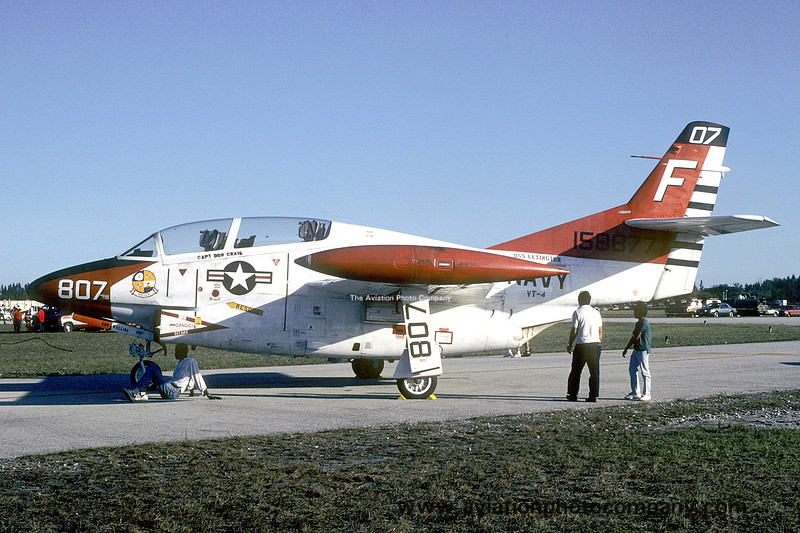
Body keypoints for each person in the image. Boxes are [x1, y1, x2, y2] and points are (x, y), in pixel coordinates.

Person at [123, 344, 221, 401]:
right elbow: (188, 378)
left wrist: (207, 394)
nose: (175, 353)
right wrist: (191, 392)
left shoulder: (190, 361)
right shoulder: (181, 362)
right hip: (170, 389)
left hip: (173, 392)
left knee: (152, 368)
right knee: (152, 368)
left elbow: (196, 376)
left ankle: (135, 392)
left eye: (176, 351)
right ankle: (141, 392)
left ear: (183, 352)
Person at [566, 291, 603, 402]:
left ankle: (573, 394)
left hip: (582, 345)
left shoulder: (577, 312)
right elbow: (600, 330)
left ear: (579, 300)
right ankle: (594, 395)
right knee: (594, 371)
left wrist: (570, 343)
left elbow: (574, 330)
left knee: (576, 372)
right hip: (595, 344)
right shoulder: (596, 313)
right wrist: (598, 341)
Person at [622, 302, 652, 401]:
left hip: (643, 350)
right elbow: (633, 337)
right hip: (636, 349)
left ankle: (647, 393)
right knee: (632, 370)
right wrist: (626, 348)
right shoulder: (638, 322)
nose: (634, 312)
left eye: (635, 311)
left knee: (645, 371)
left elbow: (637, 335)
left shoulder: (644, 322)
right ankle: (635, 392)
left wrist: (630, 344)